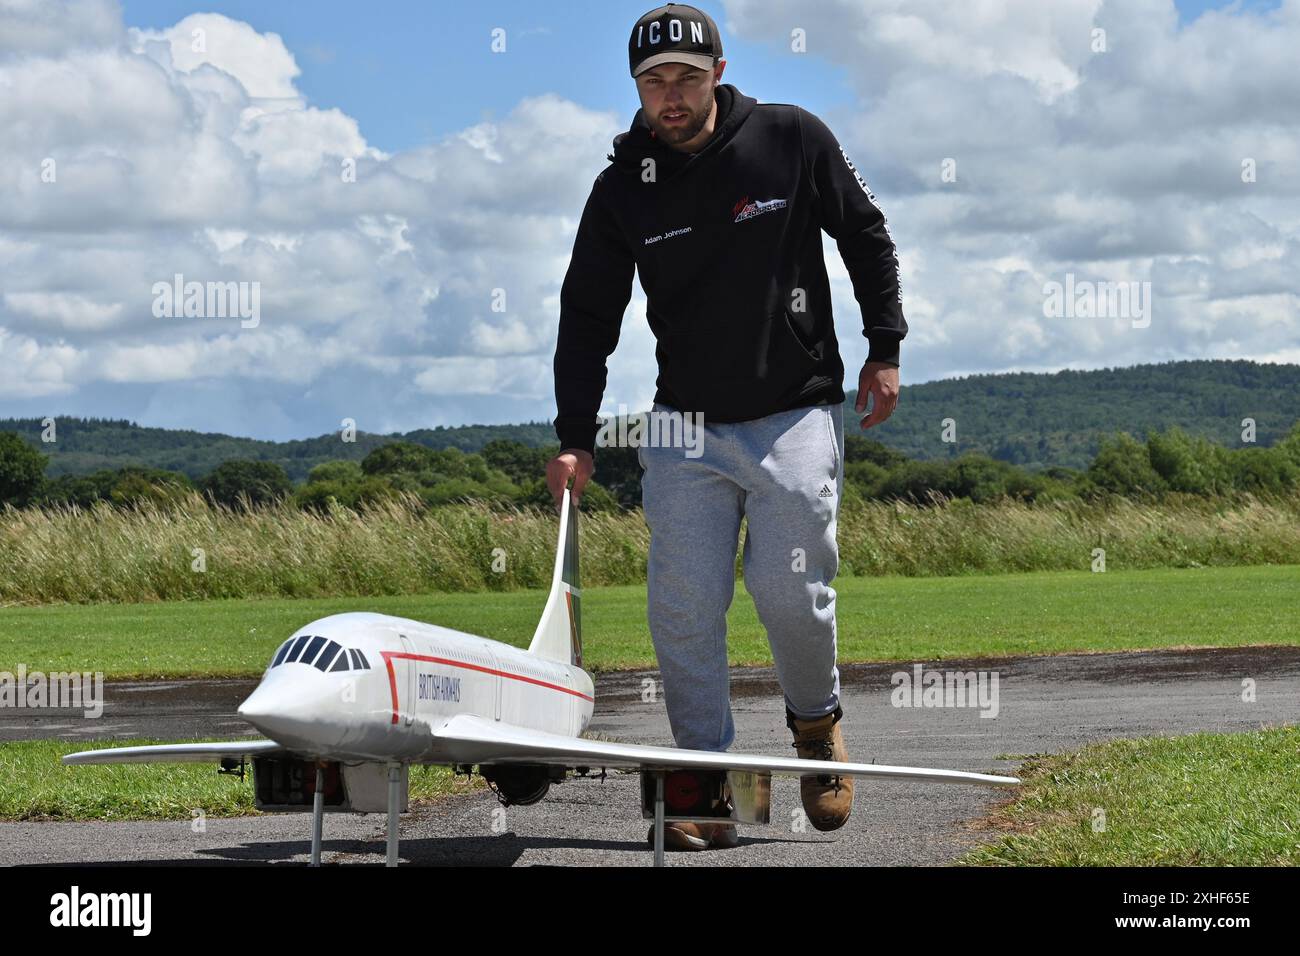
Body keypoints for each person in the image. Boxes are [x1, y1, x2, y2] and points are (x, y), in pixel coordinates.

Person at [546, 2, 906, 851]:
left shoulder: (789, 138)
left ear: (717, 73)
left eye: (685, 79)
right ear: (636, 88)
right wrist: (575, 435)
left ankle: (816, 727)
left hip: (796, 408)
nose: (669, 98)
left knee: (789, 593)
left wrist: (883, 347)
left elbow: (865, 233)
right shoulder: (621, 188)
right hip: (683, 425)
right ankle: (708, 790)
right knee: (681, 609)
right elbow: (587, 314)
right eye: (651, 83)